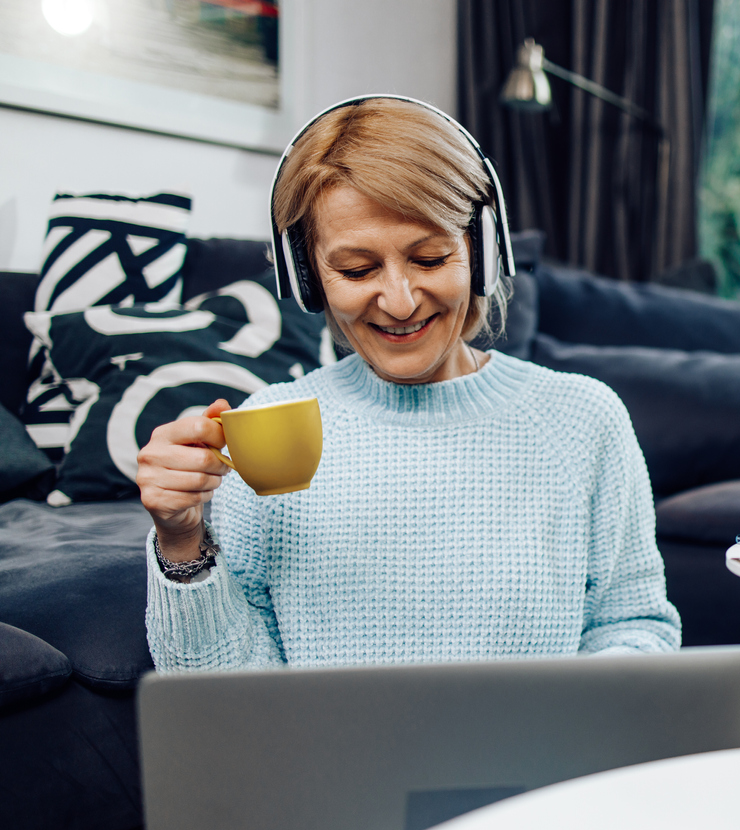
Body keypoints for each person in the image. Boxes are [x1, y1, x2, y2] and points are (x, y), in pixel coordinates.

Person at [138, 96, 680, 670]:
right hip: (329, 760)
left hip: (544, 760)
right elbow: (219, 696)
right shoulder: (269, 426)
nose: (399, 302)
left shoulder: (583, 418)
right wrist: (180, 542)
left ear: (483, 251)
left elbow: (634, 623)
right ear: (307, 276)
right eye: (356, 270)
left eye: (428, 259)